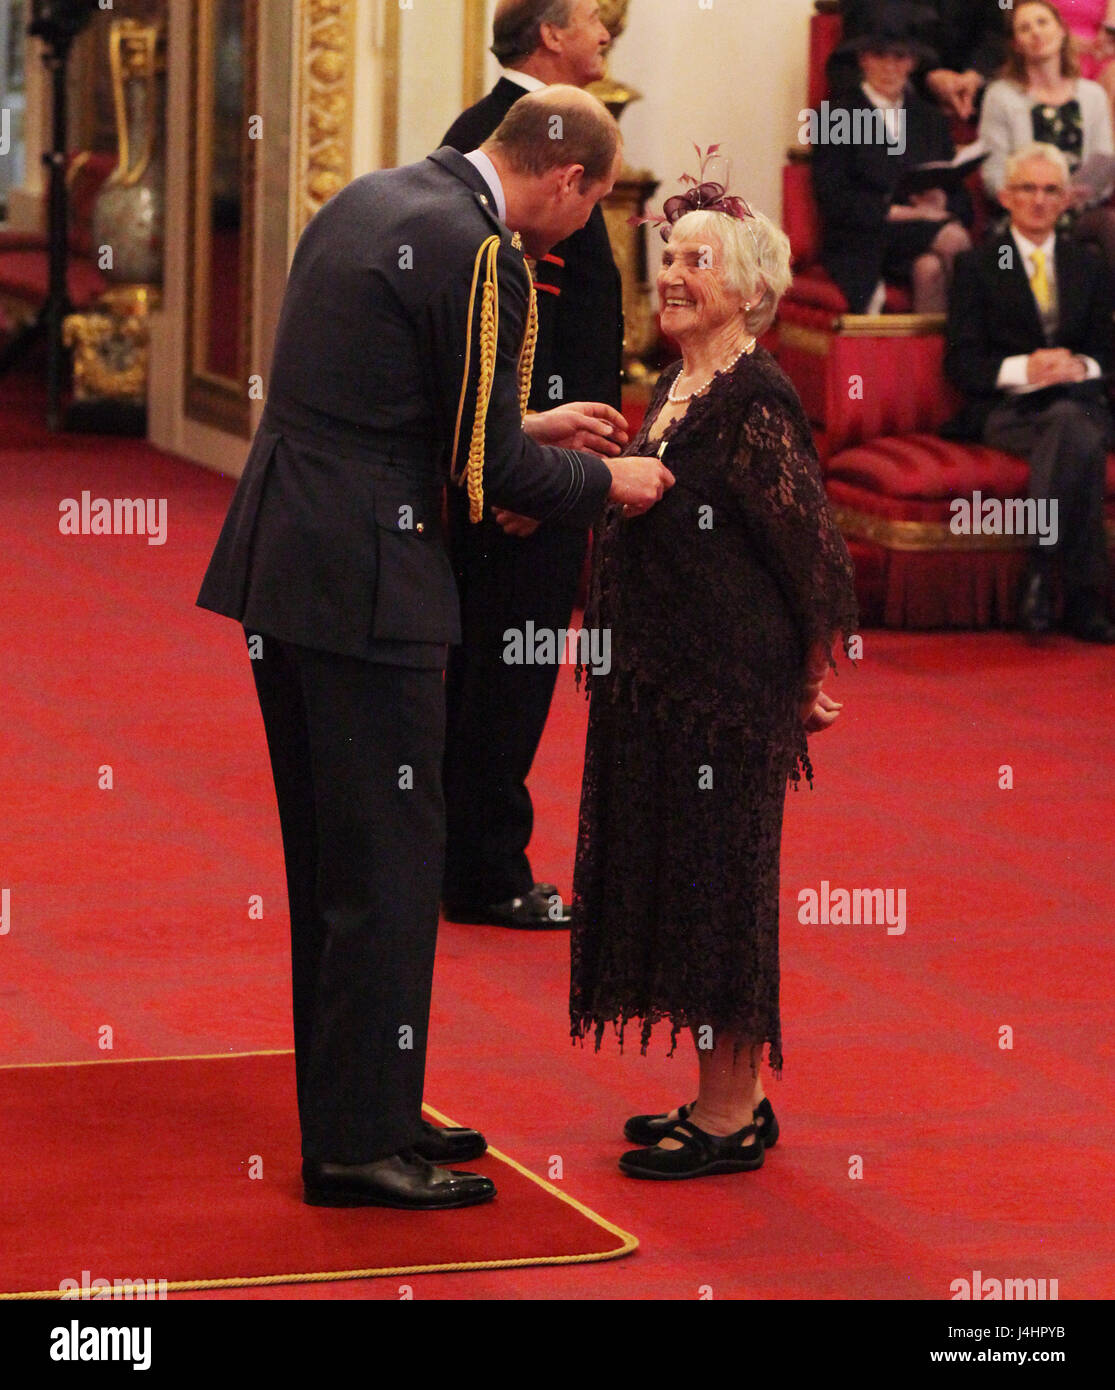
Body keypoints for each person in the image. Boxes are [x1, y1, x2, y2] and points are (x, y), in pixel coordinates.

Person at [196, 87, 674, 1211]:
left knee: (332, 861)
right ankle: (358, 1145)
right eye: (592, 207)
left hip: (286, 559)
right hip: (371, 585)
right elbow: (481, 476)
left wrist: (528, 429)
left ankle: (361, 1100)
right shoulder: (483, 252)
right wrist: (606, 481)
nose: (580, 228)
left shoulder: (373, 195)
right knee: (386, 870)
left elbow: (396, 398)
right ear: (567, 181)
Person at [567, 169, 859, 1180]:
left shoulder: (754, 396)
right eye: (668, 257)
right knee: (676, 879)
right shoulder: (679, 383)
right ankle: (724, 1093)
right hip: (659, 679)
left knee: (715, 889)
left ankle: (729, 1114)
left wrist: (799, 676)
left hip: (723, 695)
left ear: (747, 289)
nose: (674, 275)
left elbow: (807, 549)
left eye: (698, 261)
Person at [438, 0, 623, 931]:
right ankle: (485, 870)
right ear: (548, 31)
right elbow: (513, 321)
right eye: (594, 17)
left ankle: (464, 858)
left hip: (531, 453)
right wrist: (526, 468)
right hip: (524, 469)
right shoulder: (499, 142)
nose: (608, 32)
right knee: (501, 676)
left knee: (490, 670)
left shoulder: (509, 135)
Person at [944, 143, 1115, 643]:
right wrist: (1027, 367)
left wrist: (1078, 364)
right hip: (1010, 410)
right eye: (1027, 189)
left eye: (1050, 190)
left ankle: (1040, 572)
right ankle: (1083, 599)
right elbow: (962, 362)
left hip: (1079, 403)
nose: (1039, 200)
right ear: (1005, 196)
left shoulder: (1090, 265)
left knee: (1071, 426)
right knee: (1075, 437)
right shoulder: (978, 266)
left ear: (1066, 200)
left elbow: (1108, 351)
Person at [813, 20, 974, 314]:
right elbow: (833, 198)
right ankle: (974, 342)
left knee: (929, 269)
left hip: (923, 232)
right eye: (879, 56)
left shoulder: (930, 118)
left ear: (912, 62)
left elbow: (960, 196)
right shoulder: (835, 115)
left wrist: (942, 201)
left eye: (899, 57)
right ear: (863, 60)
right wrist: (904, 212)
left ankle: (934, 359)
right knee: (954, 238)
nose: (889, 67)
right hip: (864, 236)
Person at [979, 1, 1115, 270]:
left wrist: (1079, 194)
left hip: (1078, 209)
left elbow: (1106, 167)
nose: (1036, 33)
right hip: (1023, 210)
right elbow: (993, 174)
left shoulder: (1093, 95)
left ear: (1062, 31)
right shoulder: (1000, 95)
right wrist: (1033, 197)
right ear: (1016, 44)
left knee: (1109, 225)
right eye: (1025, 28)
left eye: (1042, 23)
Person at [830, 0, 1009, 120]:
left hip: (968, 79)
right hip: (894, 73)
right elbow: (862, 37)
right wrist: (926, 74)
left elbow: (994, 33)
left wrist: (973, 75)